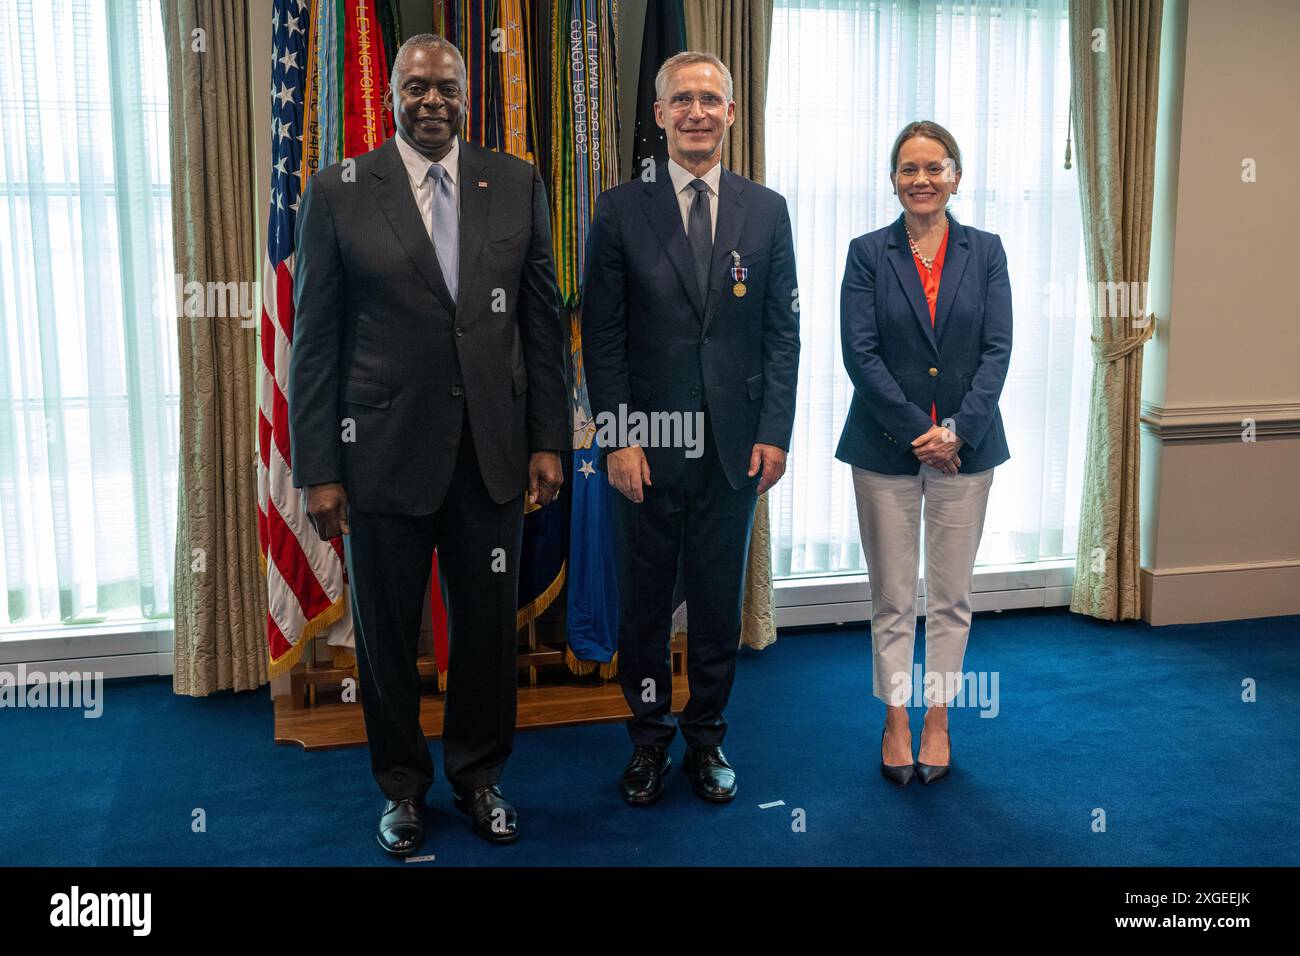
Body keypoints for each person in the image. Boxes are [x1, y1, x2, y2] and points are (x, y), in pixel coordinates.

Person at [288, 35, 567, 852]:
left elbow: (541, 322)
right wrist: (319, 467)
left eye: (447, 87)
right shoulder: (339, 191)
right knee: (385, 637)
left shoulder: (514, 182)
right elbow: (315, 339)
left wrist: (549, 438)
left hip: (492, 455)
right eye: (416, 87)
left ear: (466, 94)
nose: (433, 101)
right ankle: (403, 789)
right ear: (391, 98)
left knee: (485, 632)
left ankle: (481, 778)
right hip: (378, 456)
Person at [581, 51, 800, 806]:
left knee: (714, 605)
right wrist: (618, 437)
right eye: (683, 100)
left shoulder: (766, 210)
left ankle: (707, 740)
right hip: (645, 448)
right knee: (642, 608)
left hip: (736, 451)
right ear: (661, 113)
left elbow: (782, 334)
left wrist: (776, 431)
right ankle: (648, 741)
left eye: (712, 99)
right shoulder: (618, 209)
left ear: (731, 114)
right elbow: (601, 338)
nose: (698, 112)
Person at [836, 120, 1011, 787]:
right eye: (909, 169)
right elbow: (861, 353)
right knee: (890, 593)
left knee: (951, 594)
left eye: (935, 168)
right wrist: (920, 430)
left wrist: (959, 430)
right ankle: (896, 717)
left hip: (970, 447)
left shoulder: (986, 251)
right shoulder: (866, 254)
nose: (922, 180)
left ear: (956, 176)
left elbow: (997, 350)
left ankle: (938, 715)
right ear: (893, 180)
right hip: (883, 445)